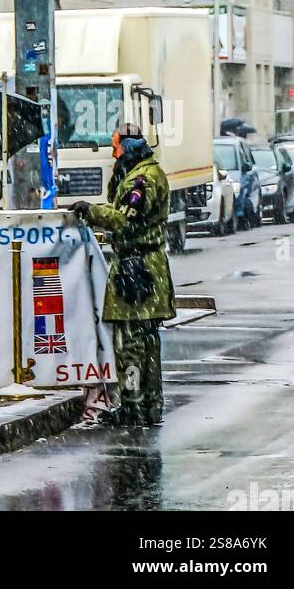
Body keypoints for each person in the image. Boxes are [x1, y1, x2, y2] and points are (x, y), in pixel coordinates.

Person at [72, 123, 175, 427]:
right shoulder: (146, 173)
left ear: (127, 147)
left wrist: (90, 211)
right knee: (147, 343)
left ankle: (133, 404)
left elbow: (125, 220)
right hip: (145, 267)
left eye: (115, 147)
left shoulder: (141, 180)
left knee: (130, 345)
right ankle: (150, 404)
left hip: (136, 270)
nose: (113, 153)